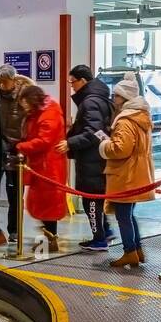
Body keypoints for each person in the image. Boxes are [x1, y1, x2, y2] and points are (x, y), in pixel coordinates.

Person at [56, 65, 115, 251]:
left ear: (83, 81)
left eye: (73, 82)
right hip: (97, 157)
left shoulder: (90, 102)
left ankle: (99, 239)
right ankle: (105, 231)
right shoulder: (100, 98)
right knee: (95, 197)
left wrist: (70, 142)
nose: (71, 87)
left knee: (90, 199)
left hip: (91, 159)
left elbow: (93, 132)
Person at [99, 74, 155, 268]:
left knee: (123, 216)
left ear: (125, 98)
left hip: (125, 174)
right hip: (137, 173)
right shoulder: (141, 117)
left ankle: (130, 252)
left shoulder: (125, 121)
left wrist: (105, 144)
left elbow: (120, 149)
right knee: (129, 215)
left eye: (116, 96)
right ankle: (137, 250)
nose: (113, 100)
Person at [14, 84, 67, 253]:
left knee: (48, 204)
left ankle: (51, 239)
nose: (26, 109)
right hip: (41, 165)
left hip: (48, 166)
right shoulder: (40, 112)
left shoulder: (49, 114)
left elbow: (44, 141)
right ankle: (48, 237)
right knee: (42, 203)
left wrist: (21, 146)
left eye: (26, 105)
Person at [0, 63, 35, 244]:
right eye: (1, 81)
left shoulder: (24, 95)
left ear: (13, 80)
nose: (3, 85)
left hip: (17, 149)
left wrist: (22, 144)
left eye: (6, 81)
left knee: (15, 194)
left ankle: (14, 230)